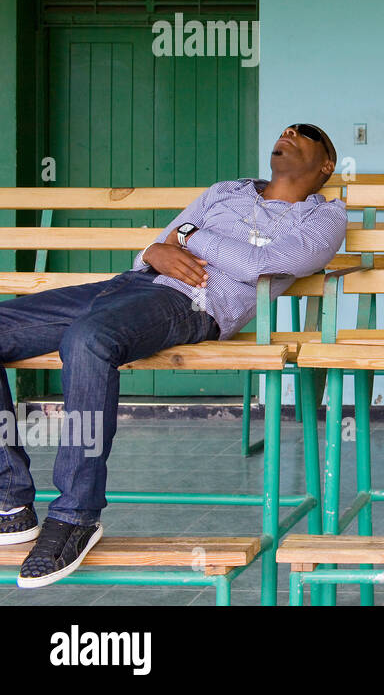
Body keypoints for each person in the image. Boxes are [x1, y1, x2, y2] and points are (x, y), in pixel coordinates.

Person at [0, 124, 347, 587]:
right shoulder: (227, 190)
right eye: (285, 129)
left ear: (326, 164)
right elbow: (158, 245)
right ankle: (10, 501)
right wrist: (160, 247)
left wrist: (189, 239)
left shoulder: (324, 217)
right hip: (130, 287)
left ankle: (75, 515)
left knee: (88, 340)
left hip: (194, 302)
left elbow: (261, 266)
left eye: (303, 132)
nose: (288, 132)